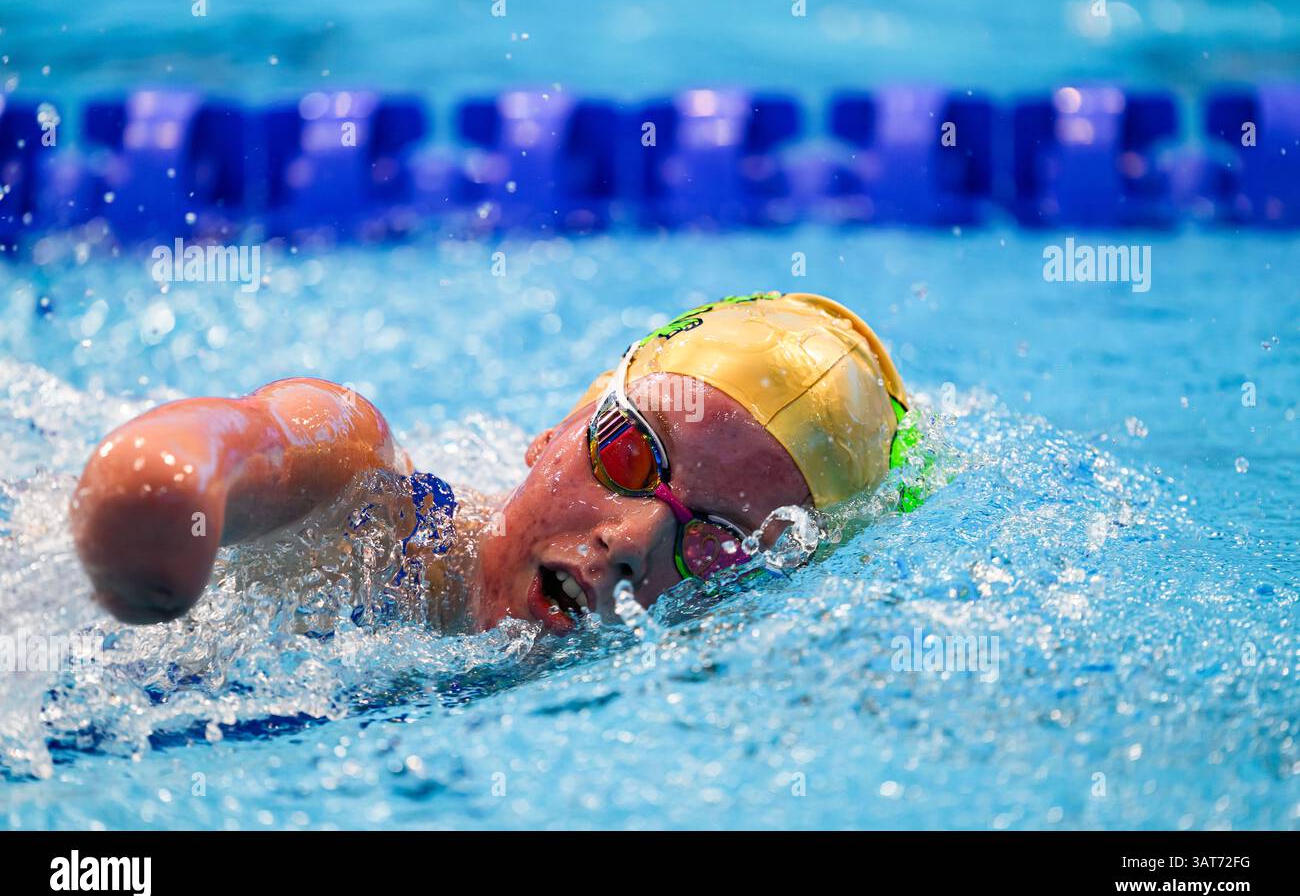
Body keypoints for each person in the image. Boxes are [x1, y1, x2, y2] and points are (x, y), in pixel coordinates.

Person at [70, 291, 918, 634]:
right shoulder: (360, 497)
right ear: (556, 429)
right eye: (630, 454)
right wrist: (151, 519)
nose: (631, 541)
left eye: (721, 540)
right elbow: (187, 458)